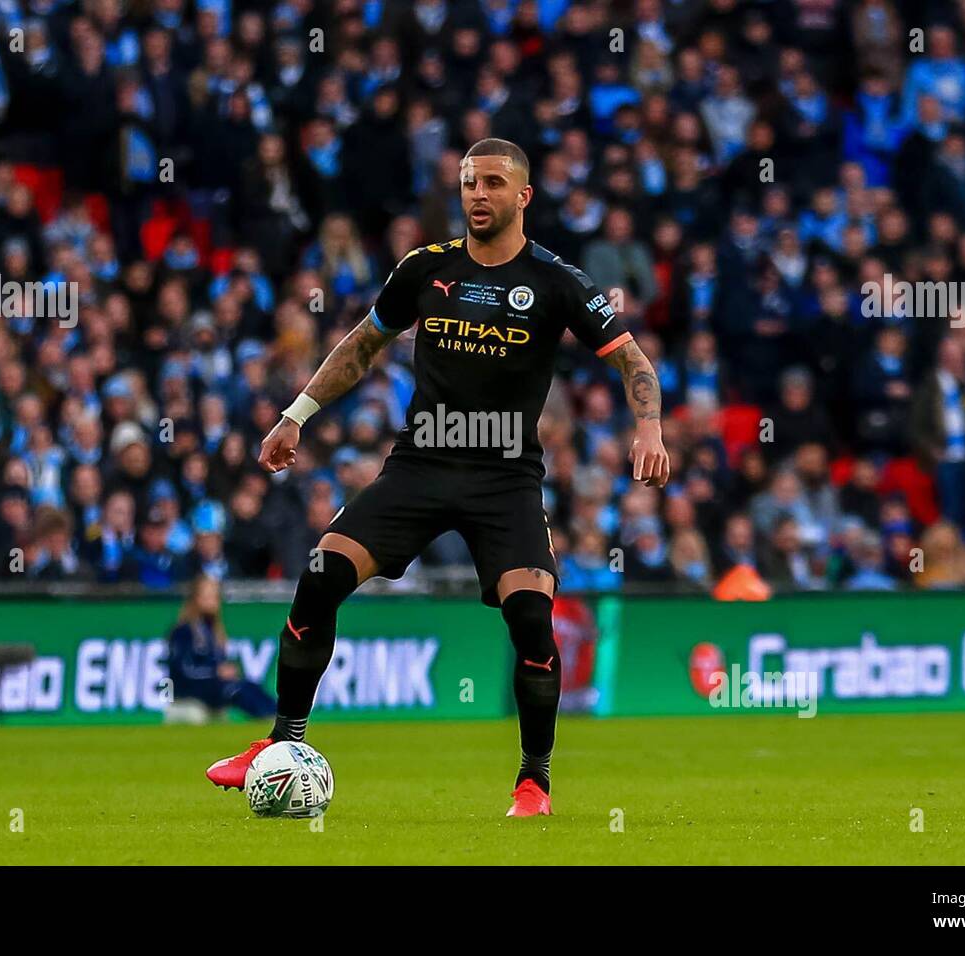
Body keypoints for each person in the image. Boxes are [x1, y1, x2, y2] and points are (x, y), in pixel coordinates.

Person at [204, 138, 670, 817]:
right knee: (321, 574)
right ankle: (278, 742)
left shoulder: (557, 280)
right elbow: (362, 345)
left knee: (532, 618)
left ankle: (533, 782)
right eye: (467, 183)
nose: (477, 194)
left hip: (506, 479)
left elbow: (634, 364)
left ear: (522, 196)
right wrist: (295, 415)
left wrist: (650, 428)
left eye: (491, 183)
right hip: (420, 467)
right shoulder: (426, 268)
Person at [168, 576, 275, 719]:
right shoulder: (184, 631)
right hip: (191, 689)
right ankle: (268, 719)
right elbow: (183, 670)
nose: (213, 600)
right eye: (207, 596)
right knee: (236, 690)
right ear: (195, 599)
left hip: (212, 686)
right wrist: (215, 671)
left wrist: (225, 670)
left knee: (251, 686)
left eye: (215, 596)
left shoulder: (213, 631)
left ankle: (281, 718)